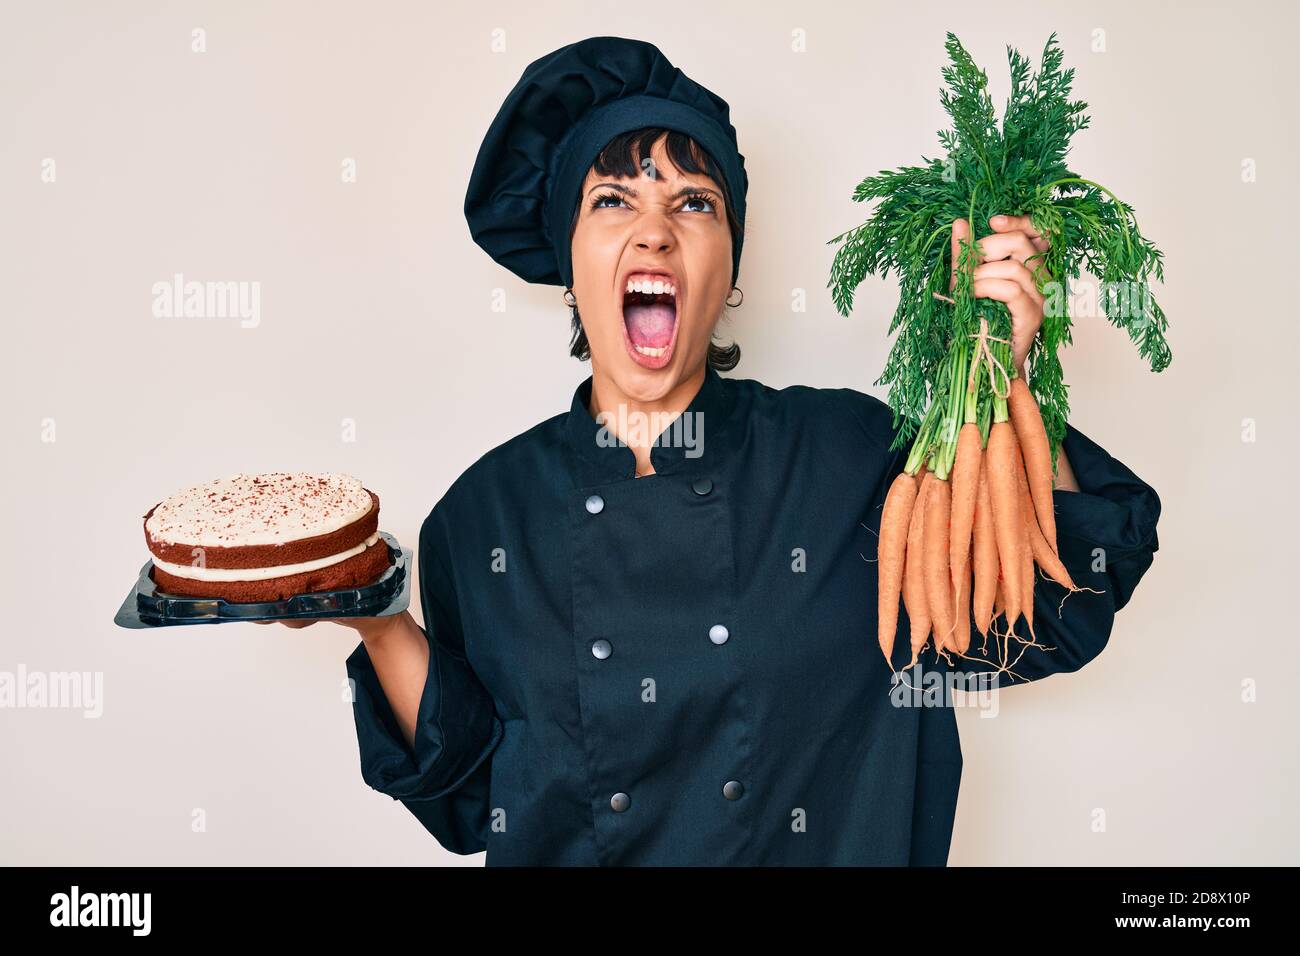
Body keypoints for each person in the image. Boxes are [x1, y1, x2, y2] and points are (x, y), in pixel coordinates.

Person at [269, 36, 1160, 865]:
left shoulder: (857, 461)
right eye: (612, 200)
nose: (654, 230)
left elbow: (1054, 613)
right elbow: (472, 801)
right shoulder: (483, 517)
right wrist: (380, 623)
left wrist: (1004, 371)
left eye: (694, 203)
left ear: (729, 267)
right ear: (569, 261)